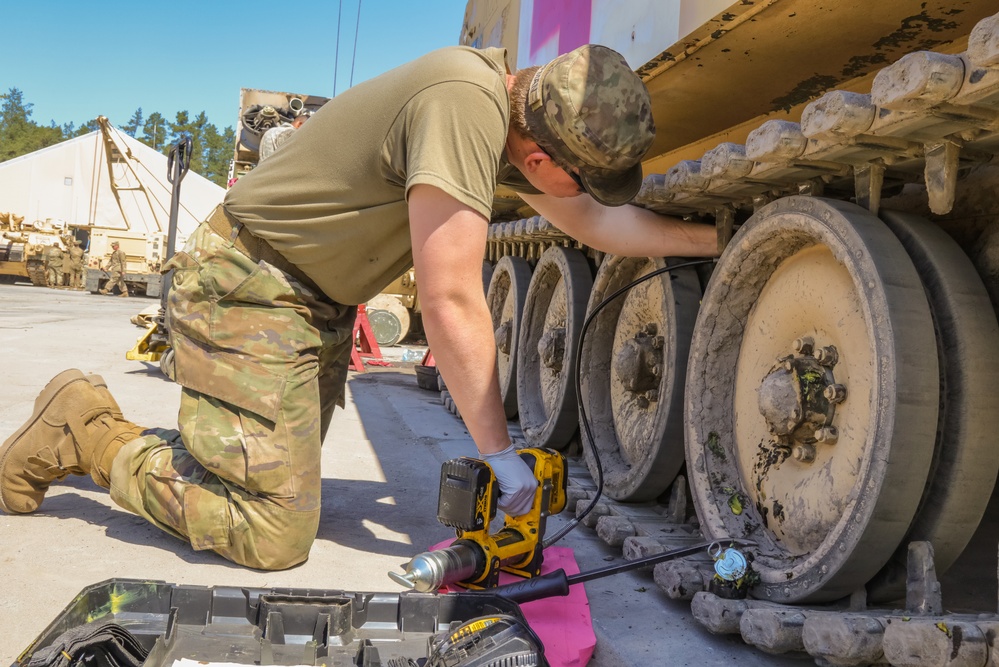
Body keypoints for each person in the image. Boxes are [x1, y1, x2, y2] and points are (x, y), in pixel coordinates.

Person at [0, 44, 716, 570]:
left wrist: (715, 238)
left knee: (268, 476)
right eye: (584, 176)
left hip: (303, 299)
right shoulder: (463, 105)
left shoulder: (500, 113)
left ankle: (193, 444)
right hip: (250, 284)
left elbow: (591, 222)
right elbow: (449, 295)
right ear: (542, 162)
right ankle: (84, 430)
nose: (589, 189)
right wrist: (498, 454)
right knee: (273, 530)